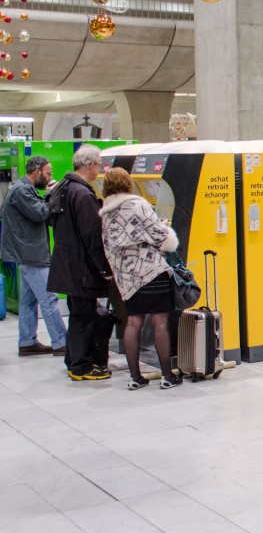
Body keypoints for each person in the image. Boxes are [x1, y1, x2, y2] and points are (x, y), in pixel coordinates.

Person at [99, 167, 181, 390]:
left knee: (133, 322)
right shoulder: (139, 204)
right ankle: (167, 376)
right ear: (128, 184)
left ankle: (135, 377)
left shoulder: (105, 213)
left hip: (126, 277)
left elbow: (109, 247)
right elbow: (160, 236)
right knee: (160, 322)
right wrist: (164, 227)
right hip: (151, 271)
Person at [47, 144, 114, 381]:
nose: (99, 170)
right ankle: (81, 366)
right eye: (98, 165)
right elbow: (92, 236)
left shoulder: (63, 188)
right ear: (90, 165)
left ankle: (72, 360)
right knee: (83, 317)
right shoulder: (83, 194)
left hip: (67, 263)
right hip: (81, 268)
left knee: (78, 314)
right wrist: (104, 268)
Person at [0, 156, 67, 357]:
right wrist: (52, 195)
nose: (49, 177)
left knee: (29, 300)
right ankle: (61, 342)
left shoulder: (24, 189)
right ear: (37, 171)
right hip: (31, 255)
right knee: (49, 298)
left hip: (27, 252)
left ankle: (27, 341)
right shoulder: (21, 191)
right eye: (48, 173)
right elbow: (40, 213)